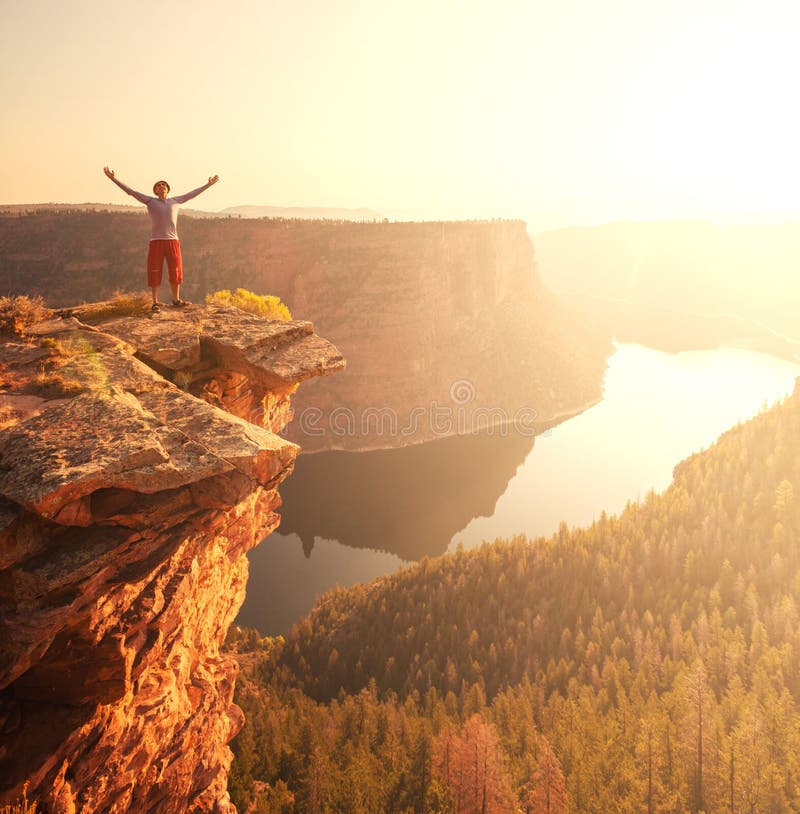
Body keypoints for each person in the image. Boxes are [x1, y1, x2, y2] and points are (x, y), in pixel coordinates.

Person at [103, 167, 219, 311]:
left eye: (164, 185)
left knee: (175, 270)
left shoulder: (175, 201)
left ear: (168, 189)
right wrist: (113, 179)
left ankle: (176, 299)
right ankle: (155, 303)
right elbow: (130, 192)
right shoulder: (150, 201)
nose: (161, 186)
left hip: (173, 241)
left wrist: (208, 184)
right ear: (155, 191)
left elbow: (192, 194)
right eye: (158, 185)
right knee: (154, 270)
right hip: (156, 241)